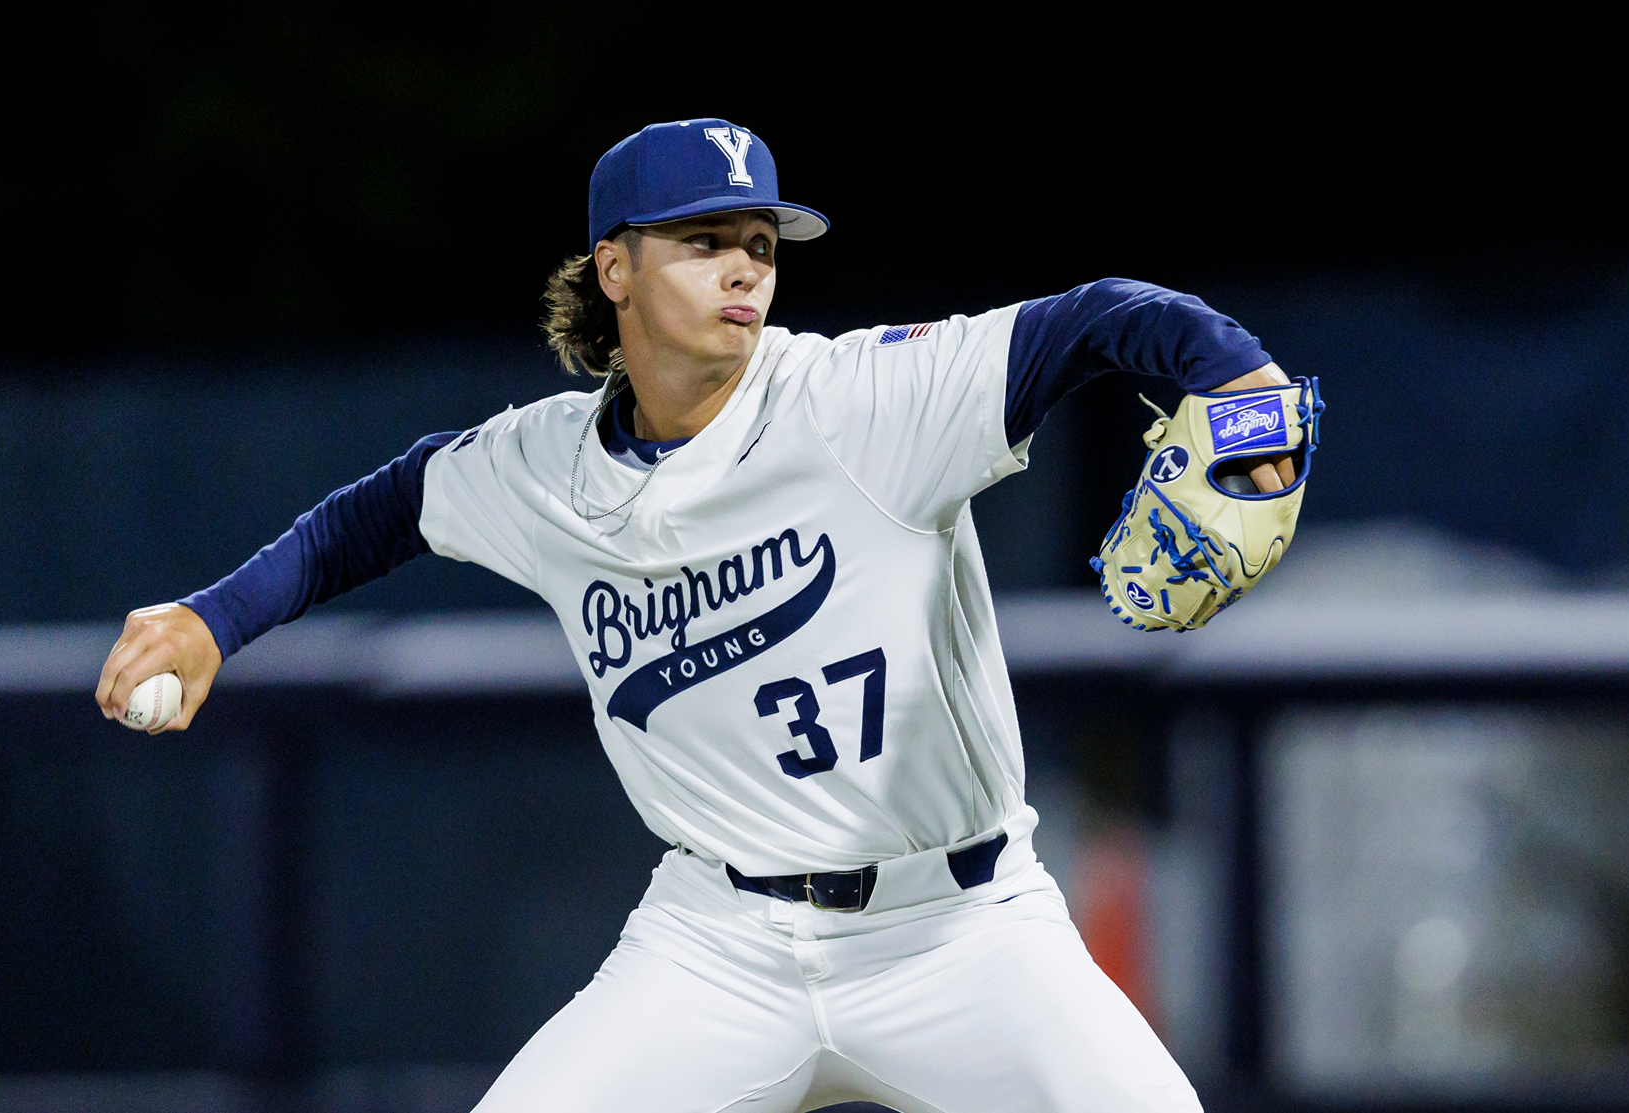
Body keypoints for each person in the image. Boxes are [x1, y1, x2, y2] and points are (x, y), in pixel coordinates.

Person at [95, 118, 1302, 1112]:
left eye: (762, 244)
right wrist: (214, 619)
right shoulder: (543, 466)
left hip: (966, 931)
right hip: (719, 944)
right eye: (703, 240)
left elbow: (1099, 316)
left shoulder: (864, 399)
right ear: (612, 267)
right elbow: (377, 514)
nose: (745, 268)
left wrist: (1238, 381)